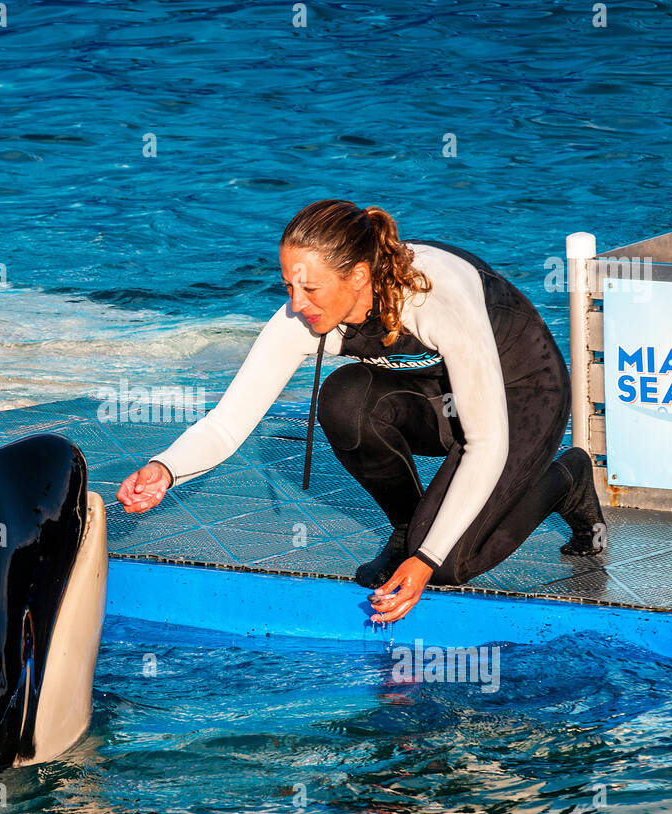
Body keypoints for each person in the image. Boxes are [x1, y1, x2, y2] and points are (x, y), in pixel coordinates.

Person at [116, 199, 606, 623]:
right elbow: (228, 421)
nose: (296, 304)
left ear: (357, 276)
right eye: (289, 285)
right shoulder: (305, 313)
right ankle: (409, 526)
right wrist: (167, 468)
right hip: (436, 395)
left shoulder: (435, 299)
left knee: (450, 563)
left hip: (522, 391)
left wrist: (427, 558)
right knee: (343, 400)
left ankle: (567, 477)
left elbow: (486, 442)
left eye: (310, 289)